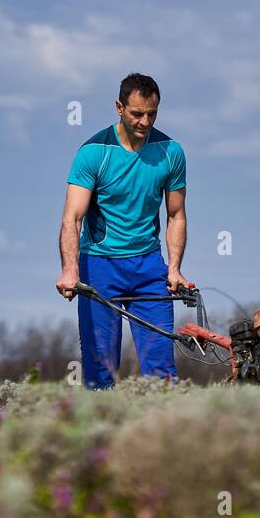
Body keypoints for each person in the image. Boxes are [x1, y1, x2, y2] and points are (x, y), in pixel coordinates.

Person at [56, 72, 189, 388]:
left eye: (152, 114)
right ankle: (104, 435)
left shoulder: (171, 152)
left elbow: (176, 216)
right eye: (137, 114)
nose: (145, 121)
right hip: (99, 265)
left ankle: (165, 434)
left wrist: (174, 269)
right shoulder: (94, 152)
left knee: (162, 371)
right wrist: (70, 271)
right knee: (101, 371)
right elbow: (72, 219)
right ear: (119, 107)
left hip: (148, 266)